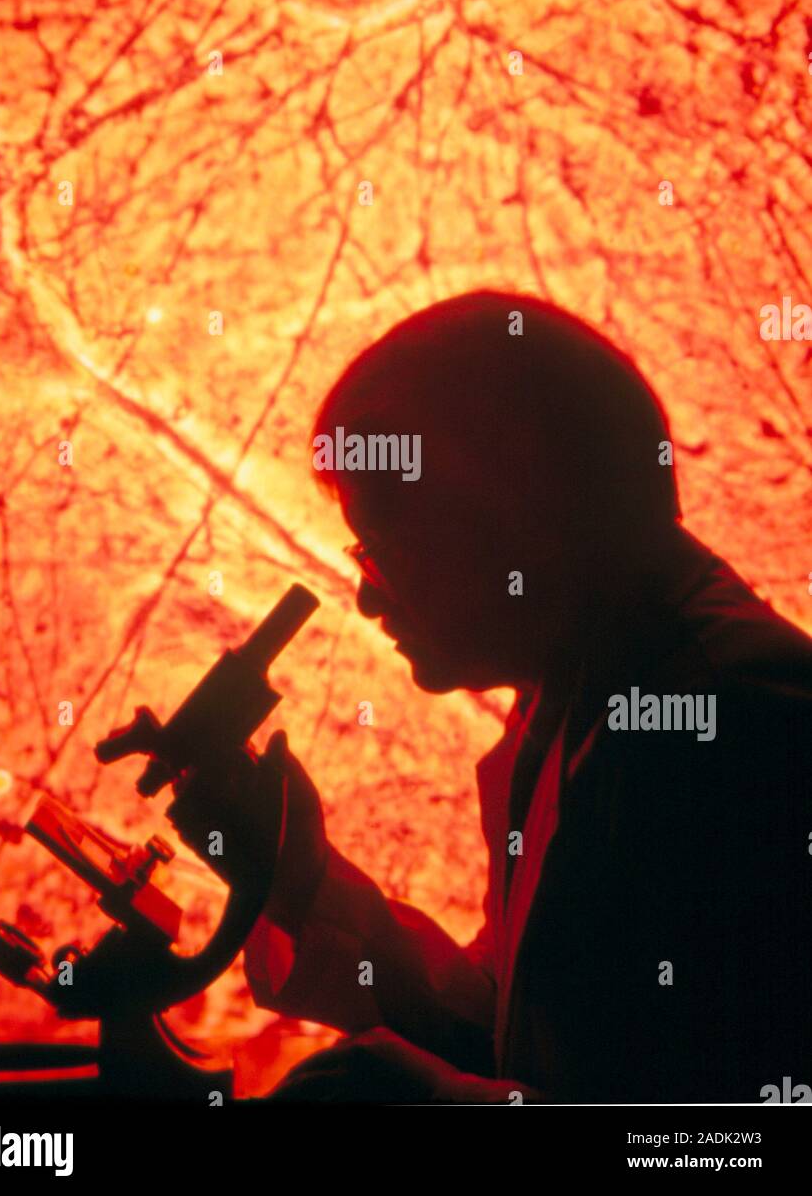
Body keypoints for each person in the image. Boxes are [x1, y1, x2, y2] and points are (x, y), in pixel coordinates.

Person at [188, 291, 812, 1102]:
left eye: (385, 552)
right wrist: (296, 874)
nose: (370, 602)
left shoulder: (741, 723)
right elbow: (519, 1030)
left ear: (514, 517)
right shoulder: (580, 695)